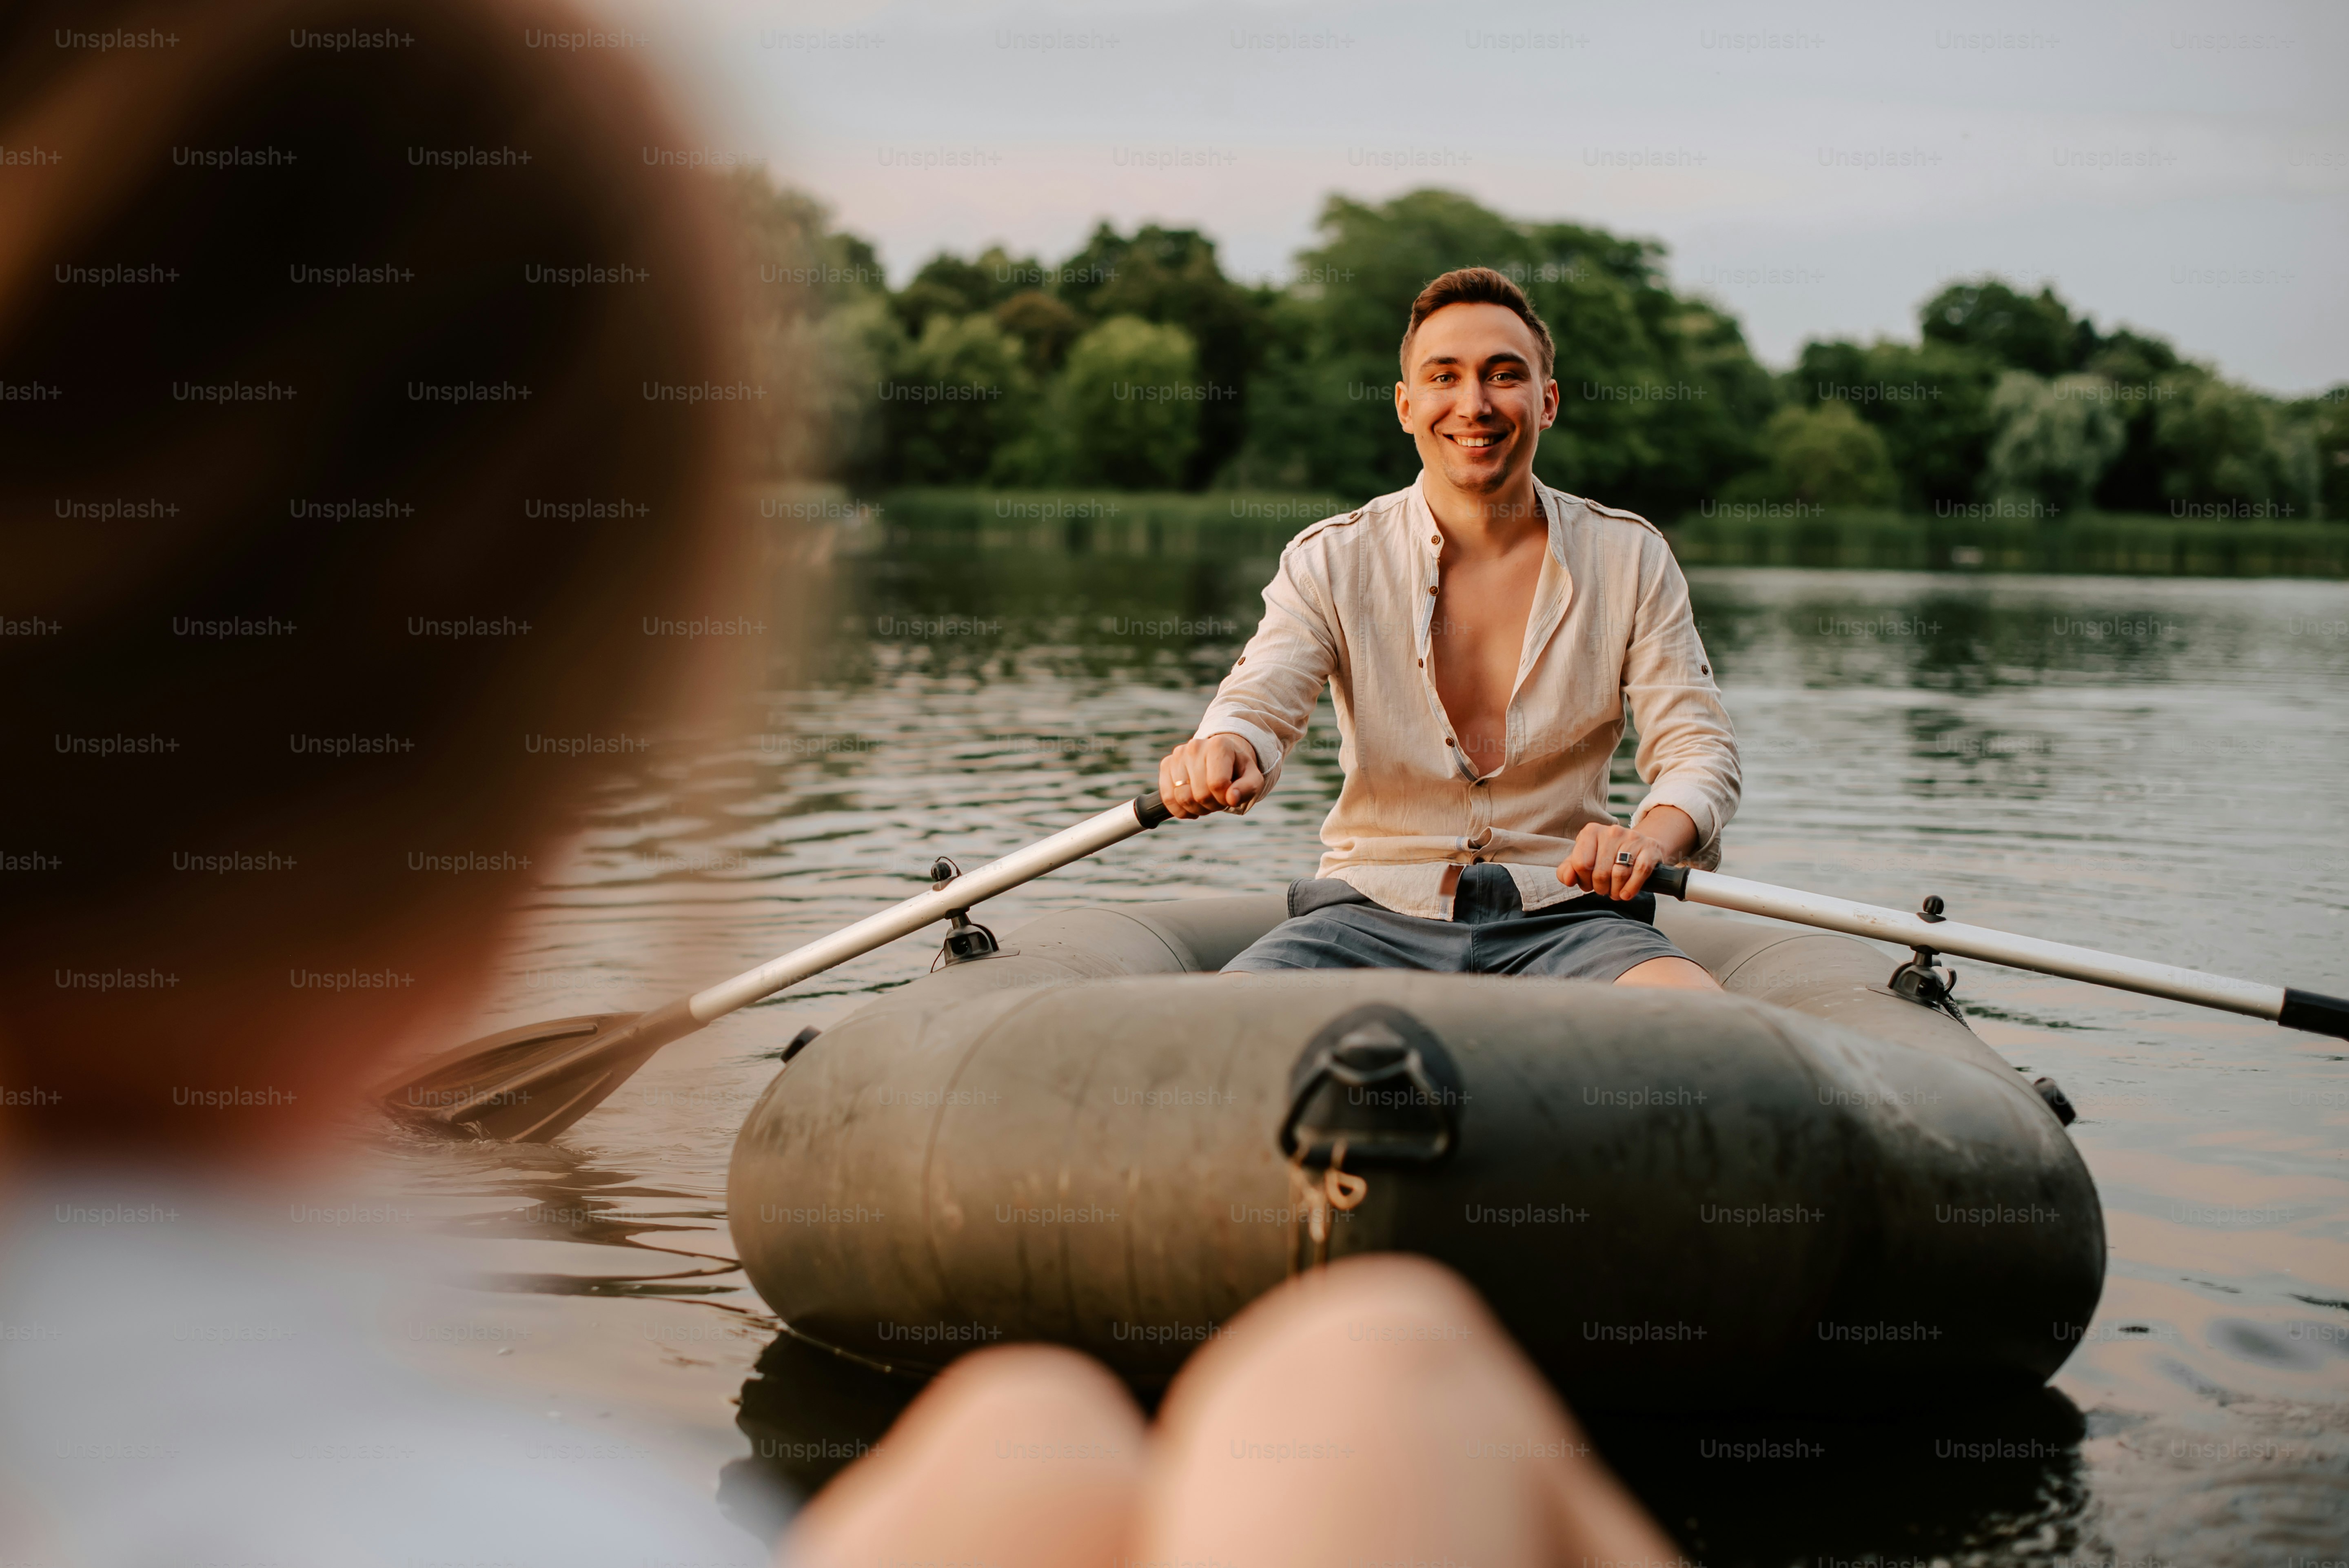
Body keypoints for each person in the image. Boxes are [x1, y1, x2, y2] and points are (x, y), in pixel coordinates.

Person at [1156, 267, 1740, 990]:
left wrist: (1646, 838)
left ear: (1546, 401)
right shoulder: (1328, 560)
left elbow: (1697, 749)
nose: (1474, 404)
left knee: (1697, 1022)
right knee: (1218, 1033)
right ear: (1405, 406)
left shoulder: (1631, 557)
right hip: (1365, 910)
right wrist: (1224, 747)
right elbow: (1257, 706)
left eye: (1503, 375)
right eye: (1444, 377)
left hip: (1571, 914)